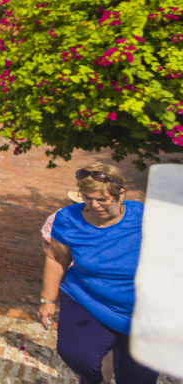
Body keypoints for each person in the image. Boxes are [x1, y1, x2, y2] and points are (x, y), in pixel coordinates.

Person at [40, 163, 159, 384]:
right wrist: (47, 299)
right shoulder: (68, 219)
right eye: (87, 198)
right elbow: (57, 258)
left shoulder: (147, 217)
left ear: (120, 193)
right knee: (79, 357)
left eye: (102, 199)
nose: (94, 205)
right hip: (87, 299)